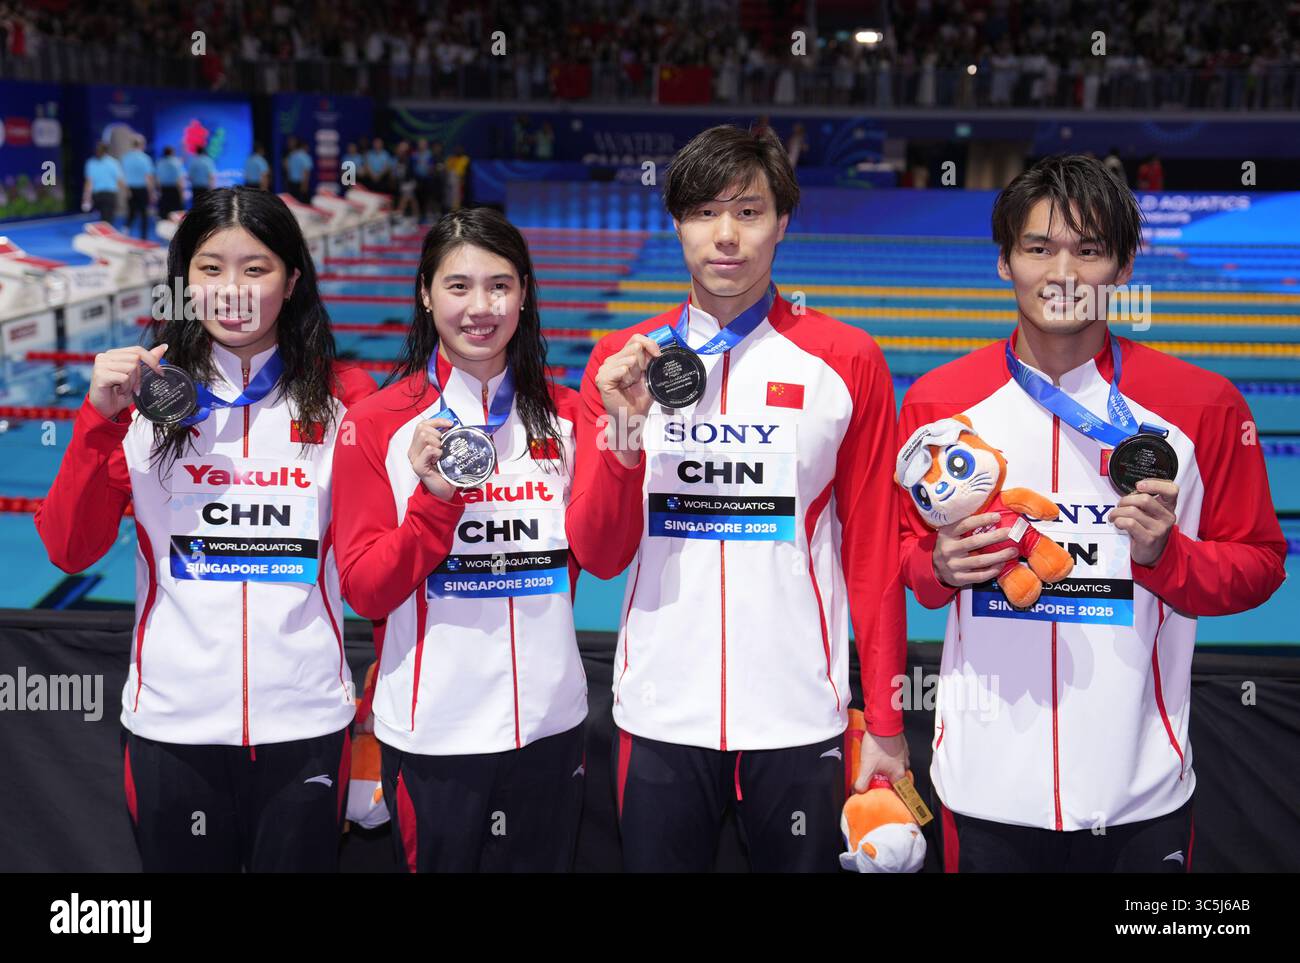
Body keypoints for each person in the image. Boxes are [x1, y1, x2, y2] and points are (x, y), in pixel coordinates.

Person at [896, 154, 1286, 872]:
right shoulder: (937, 404)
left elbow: (1260, 564)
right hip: (983, 787)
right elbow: (897, 561)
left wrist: (1169, 556)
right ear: (1004, 263)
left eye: (1090, 249)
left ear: (1124, 267)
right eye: (1039, 248)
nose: (1063, 271)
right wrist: (936, 564)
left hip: (1137, 791)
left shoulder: (1201, 405)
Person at [583, 125, 907, 872]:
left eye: (749, 212)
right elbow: (598, 553)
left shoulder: (845, 359)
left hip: (798, 711)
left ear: (782, 223)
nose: (725, 236)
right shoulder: (621, 361)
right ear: (676, 223)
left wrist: (885, 720)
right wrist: (625, 429)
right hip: (660, 709)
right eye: (703, 212)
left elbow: (872, 551)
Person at [35, 186, 379, 872]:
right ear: (183, 282)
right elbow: (70, 548)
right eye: (210, 268)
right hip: (173, 725)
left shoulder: (349, 398)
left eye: (256, 269)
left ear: (293, 280)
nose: (233, 290)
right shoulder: (141, 397)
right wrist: (97, 422)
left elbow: (376, 576)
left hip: (306, 720)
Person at [330, 208, 640, 872]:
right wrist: (433, 503)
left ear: (524, 293)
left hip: (552, 725)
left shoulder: (566, 416)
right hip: (434, 729)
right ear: (424, 293)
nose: (480, 306)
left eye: (499, 285)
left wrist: (622, 441)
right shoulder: (375, 424)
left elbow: (609, 557)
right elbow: (365, 590)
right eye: (458, 285)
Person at [120, 136, 156, 239]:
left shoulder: (125, 158)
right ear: (142, 145)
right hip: (142, 189)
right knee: (144, 214)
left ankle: (125, 232)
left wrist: (126, 190)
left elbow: (122, 176)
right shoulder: (145, 158)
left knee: (131, 212)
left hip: (130, 189)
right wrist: (152, 193)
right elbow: (148, 177)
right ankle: (143, 238)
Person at [82, 141, 125, 226]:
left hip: (102, 195)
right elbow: (120, 180)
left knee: (105, 218)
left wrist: (86, 198)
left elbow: (89, 183)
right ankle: (105, 236)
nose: (98, 151)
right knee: (107, 219)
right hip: (105, 195)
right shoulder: (113, 163)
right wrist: (86, 198)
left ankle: (104, 235)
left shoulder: (91, 163)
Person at [155, 146, 184, 219]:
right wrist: (181, 193)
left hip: (164, 190)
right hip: (174, 190)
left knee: (164, 214)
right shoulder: (176, 162)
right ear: (172, 153)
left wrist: (159, 191)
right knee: (176, 214)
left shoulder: (159, 163)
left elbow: (157, 179)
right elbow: (179, 179)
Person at [284, 138, 313, 204]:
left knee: (293, 205)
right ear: (304, 146)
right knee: (303, 206)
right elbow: (306, 171)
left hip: (291, 183)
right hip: (301, 184)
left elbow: (287, 169)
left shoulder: (291, 155)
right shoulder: (305, 156)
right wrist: (304, 185)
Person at [445, 144, 469, 211]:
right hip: (451, 181)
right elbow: (448, 169)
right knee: (450, 199)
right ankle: (452, 211)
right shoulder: (451, 159)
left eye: (459, 149)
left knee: (458, 199)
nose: (458, 151)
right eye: (456, 149)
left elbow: (465, 172)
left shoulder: (465, 159)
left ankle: (458, 212)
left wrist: (463, 181)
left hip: (460, 181)